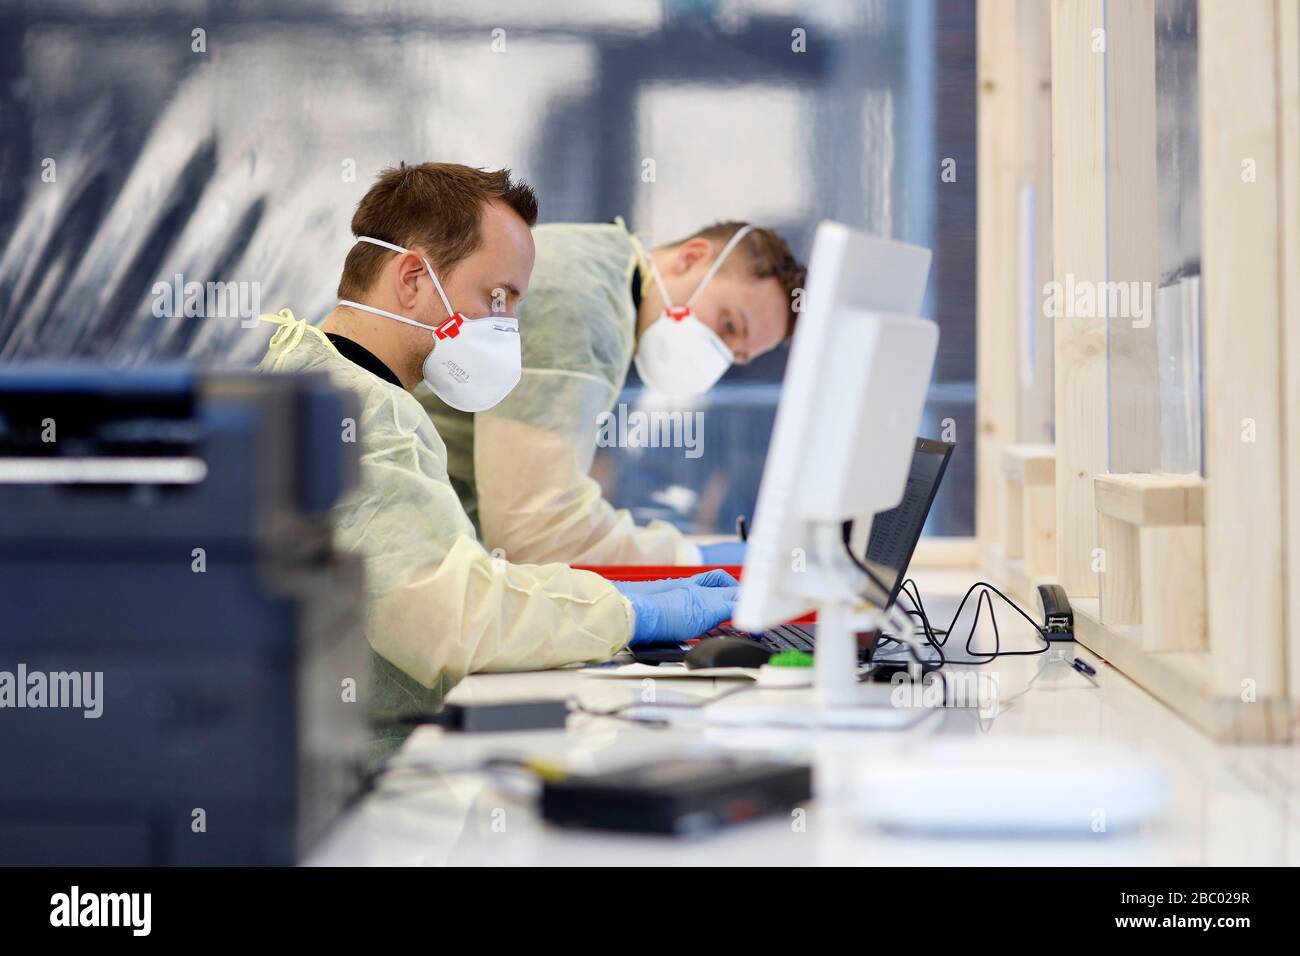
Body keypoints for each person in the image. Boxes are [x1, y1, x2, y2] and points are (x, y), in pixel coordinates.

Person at [255, 163, 737, 717]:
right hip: (364, 768)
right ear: (412, 279)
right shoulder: (360, 419)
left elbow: (448, 585)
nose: (508, 327)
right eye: (498, 297)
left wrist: (607, 599)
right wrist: (628, 612)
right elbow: (451, 620)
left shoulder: (336, 384)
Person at [417, 217, 806, 568]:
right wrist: (689, 556)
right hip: (407, 557)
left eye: (735, 356)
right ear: (691, 258)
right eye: (727, 325)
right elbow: (538, 533)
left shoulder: (602, 273)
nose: (716, 356)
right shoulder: (579, 304)